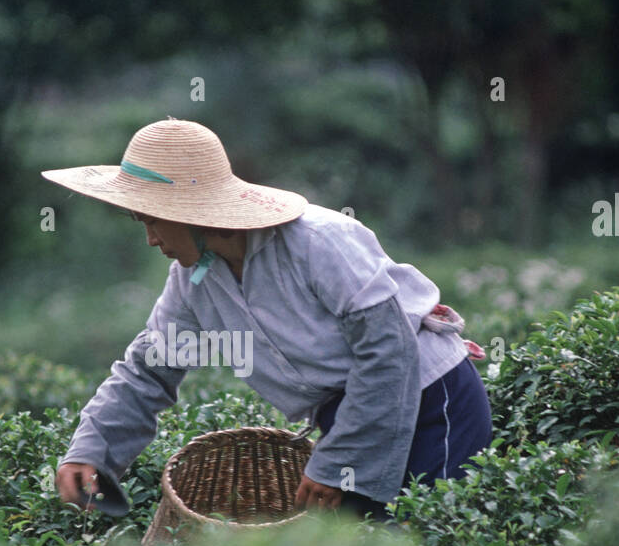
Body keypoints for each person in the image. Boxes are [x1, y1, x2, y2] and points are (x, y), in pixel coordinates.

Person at [44, 118, 492, 520]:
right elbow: (147, 370)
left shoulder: (318, 241)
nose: (150, 239)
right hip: (346, 419)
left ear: (190, 214)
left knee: (430, 539)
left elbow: (388, 352)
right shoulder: (192, 280)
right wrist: (91, 450)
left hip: (432, 401)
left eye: (153, 221)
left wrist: (339, 460)